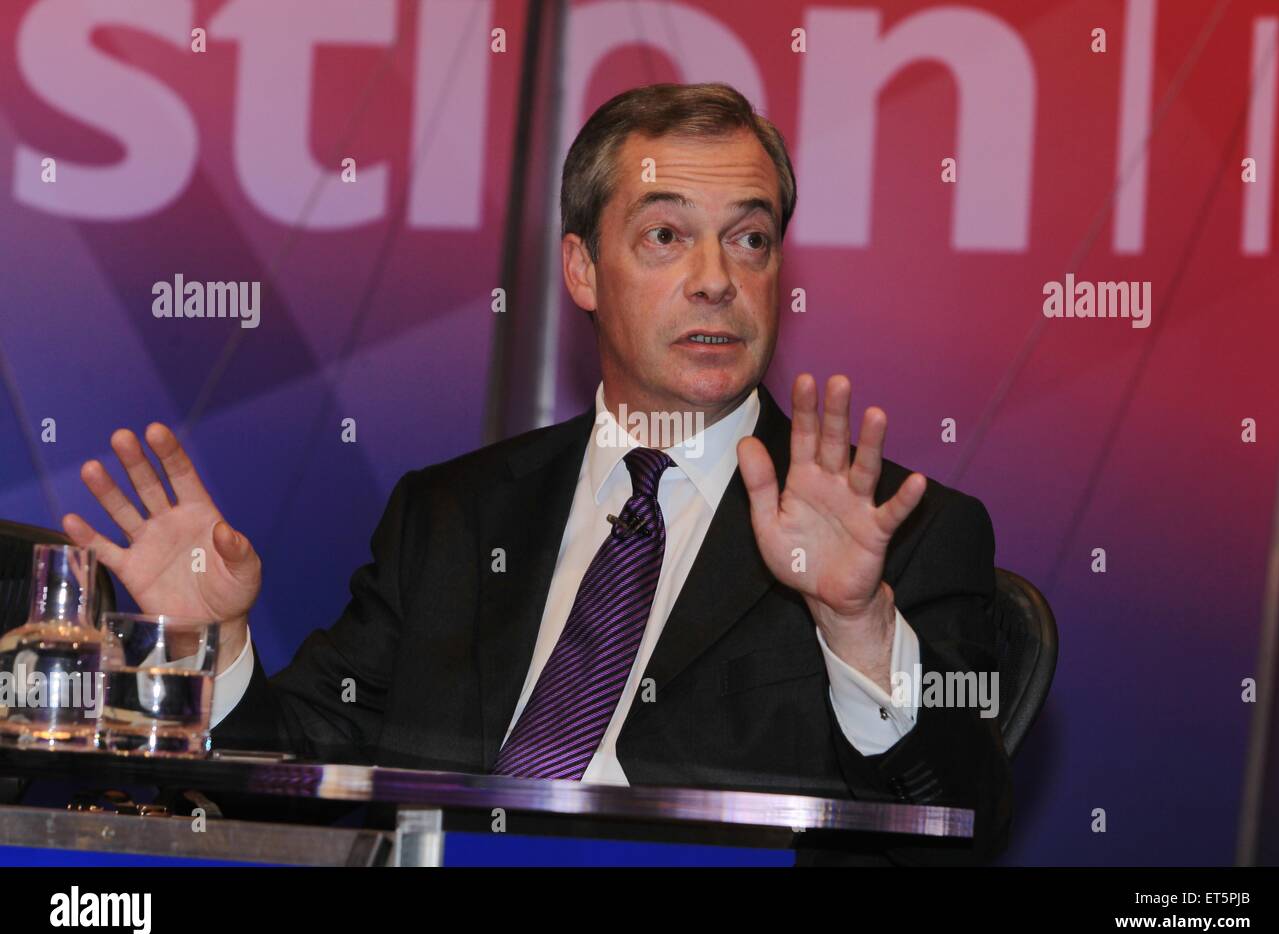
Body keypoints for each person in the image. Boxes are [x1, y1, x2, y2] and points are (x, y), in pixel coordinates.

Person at [63, 82, 1011, 864]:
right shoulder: (452, 515)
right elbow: (300, 786)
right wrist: (218, 647)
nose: (718, 277)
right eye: (666, 237)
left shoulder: (903, 534)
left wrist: (855, 627)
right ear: (584, 270)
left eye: (751, 238)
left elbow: (956, 826)